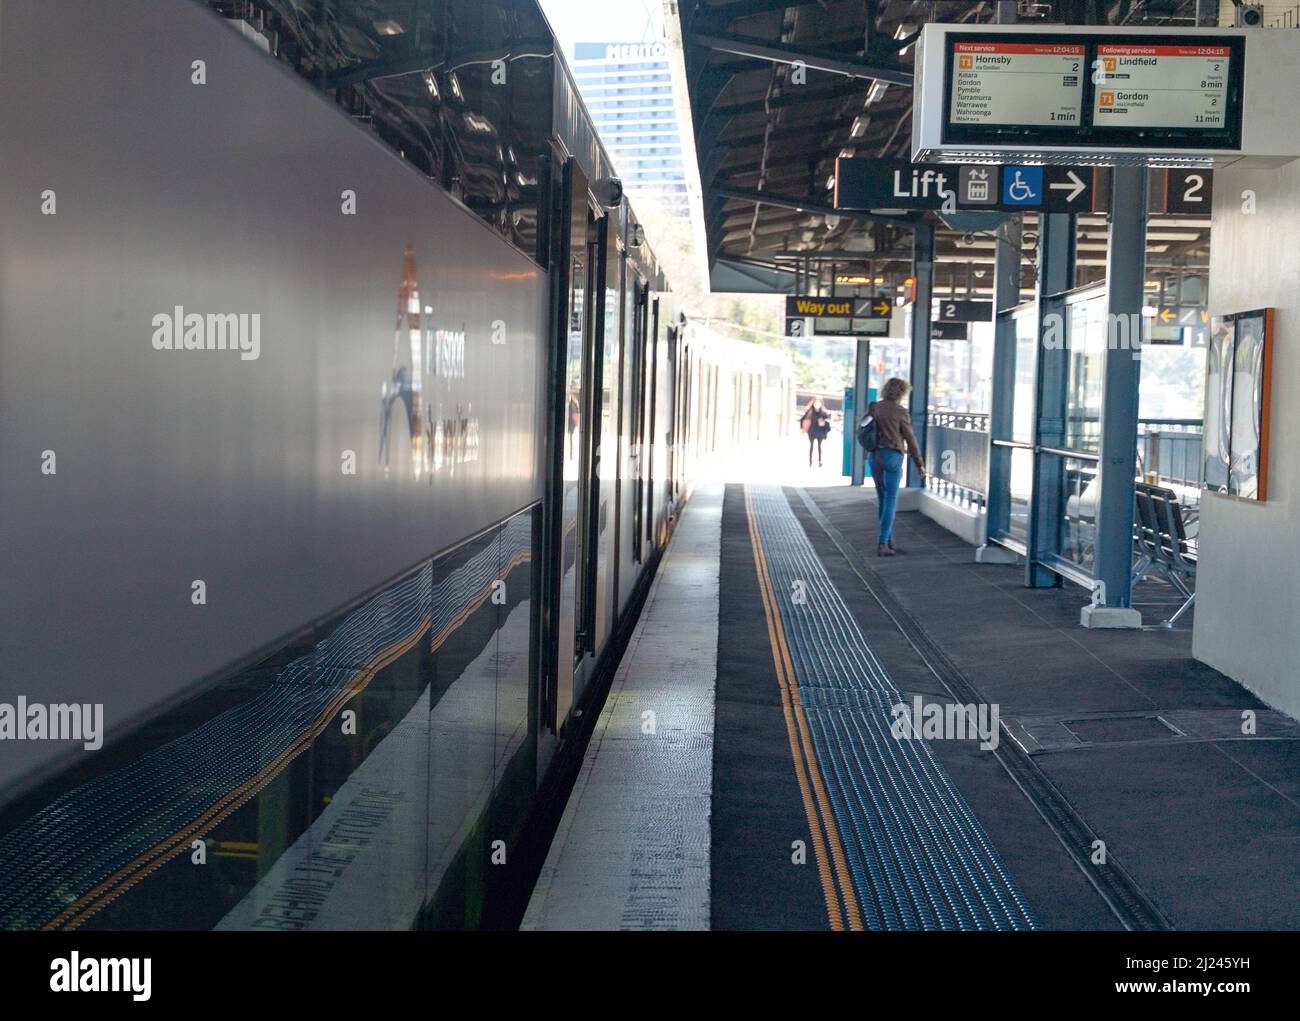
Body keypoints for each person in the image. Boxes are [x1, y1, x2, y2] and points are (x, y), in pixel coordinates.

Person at [866, 378, 925, 557]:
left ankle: (888, 539)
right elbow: (911, 440)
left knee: (882, 499)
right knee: (891, 500)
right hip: (892, 457)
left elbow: (863, 429)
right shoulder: (901, 412)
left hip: (874, 456)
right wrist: (919, 463)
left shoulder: (874, 407)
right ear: (902, 393)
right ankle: (883, 543)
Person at [800, 398, 832, 467]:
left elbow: (828, 421)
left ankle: (819, 461)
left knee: (819, 446)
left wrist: (824, 422)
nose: (817, 404)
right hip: (811, 431)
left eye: (819, 402)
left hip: (820, 432)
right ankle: (810, 461)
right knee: (811, 446)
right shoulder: (810, 411)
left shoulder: (823, 412)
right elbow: (802, 419)